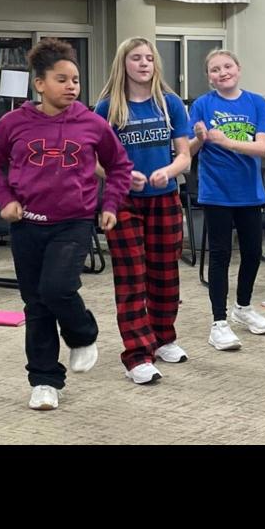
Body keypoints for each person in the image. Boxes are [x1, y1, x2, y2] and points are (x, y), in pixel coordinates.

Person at [0, 37, 130, 410]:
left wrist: (110, 204)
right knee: (36, 304)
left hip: (73, 222)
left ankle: (82, 333)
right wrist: (5, 200)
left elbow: (119, 167)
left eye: (75, 80)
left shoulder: (91, 123)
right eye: (62, 79)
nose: (71, 86)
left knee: (57, 289)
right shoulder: (14, 123)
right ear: (40, 84)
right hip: (27, 225)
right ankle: (44, 381)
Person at [92, 36, 191, 383]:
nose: (144, 64)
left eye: (149, 58)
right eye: (136, 58)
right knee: (132, 276)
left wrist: (170, 171)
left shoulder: (170, 103)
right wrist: (117, 174)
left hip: (164, 198)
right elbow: (92, 160)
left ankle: (163, 338)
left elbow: (184, 155)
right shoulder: (107, 108)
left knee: (165, 273)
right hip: (123, 201)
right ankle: (137, 355)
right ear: (124, 64)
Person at [187, 48, 265, 350]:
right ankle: (219, 322)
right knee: (220, 255)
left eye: (227, 66)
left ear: (238, 69)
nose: (222, 73)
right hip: (216, 192)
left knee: (252, 253)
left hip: (249, 191)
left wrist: (226, 141)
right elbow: (188, 151)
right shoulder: (202, 104)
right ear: (209, 77)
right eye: (215, 69)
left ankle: (243, 307)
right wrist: (200, 138)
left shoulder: (257, 103)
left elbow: (263, 148)